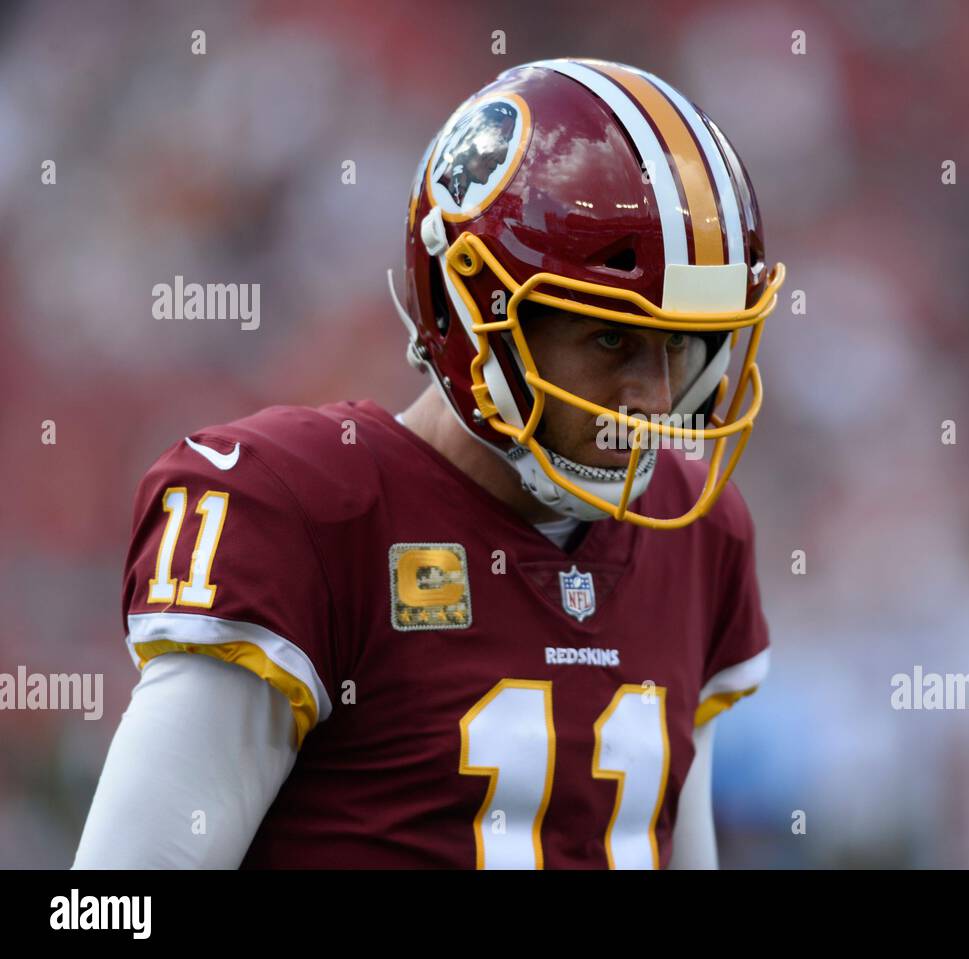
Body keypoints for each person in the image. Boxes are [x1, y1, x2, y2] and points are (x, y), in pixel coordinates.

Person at [73, 57, 785, 869]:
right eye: (612, 337)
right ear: (464, 314)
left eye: (683, 345)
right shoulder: (306, 512)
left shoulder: (699, 535)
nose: (655, 400)